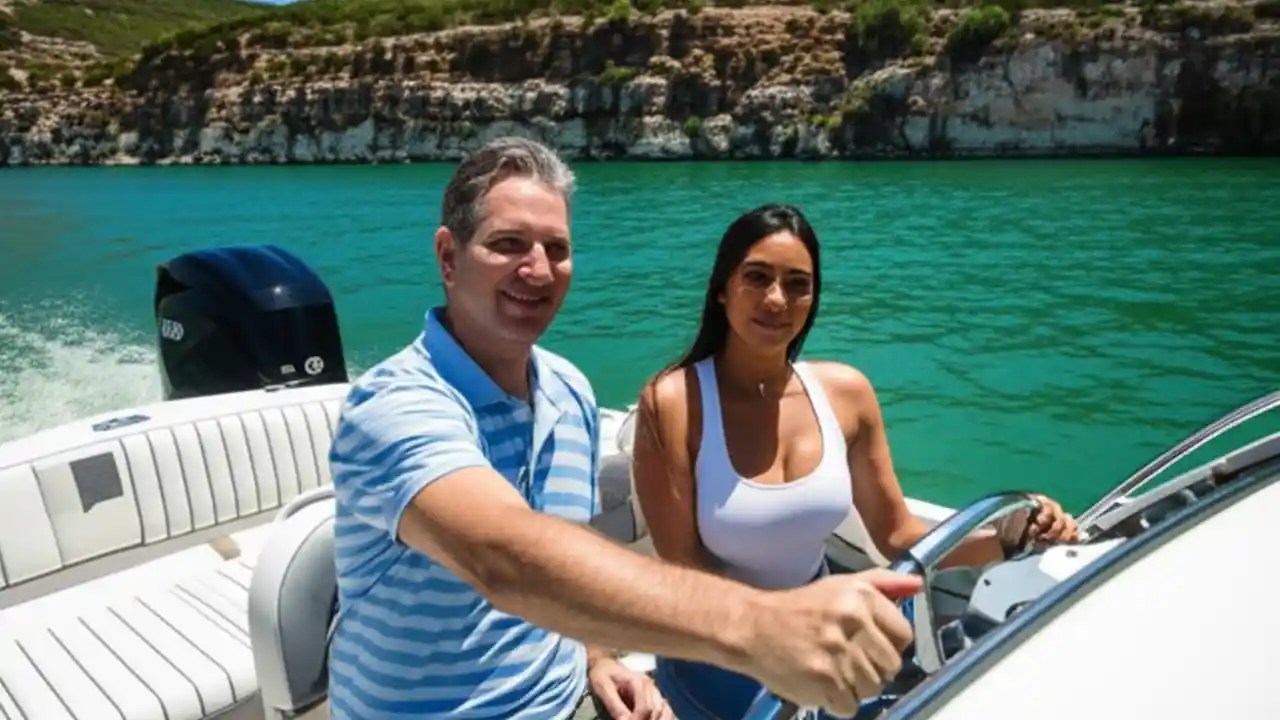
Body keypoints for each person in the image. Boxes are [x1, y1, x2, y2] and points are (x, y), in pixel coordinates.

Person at [326, 138, 926, 720]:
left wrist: (596, 657)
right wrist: (765, 627)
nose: (537, 269)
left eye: (556, 248)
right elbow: (502, 558)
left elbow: (566, 553)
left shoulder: (568, 392)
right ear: (449, 257)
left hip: (572, 698)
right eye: (508, 244)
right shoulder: (393, 405)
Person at [630, 203, 1081, 720]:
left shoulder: (846, 394)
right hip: (715, 645)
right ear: (721, 288)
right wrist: (790, 631)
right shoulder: (673, 401)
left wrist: (1010, 539)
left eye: (797, 284)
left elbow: (897, 535)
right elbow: (686, 569)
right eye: (757, 277)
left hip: (824, 631)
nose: (777, 299)